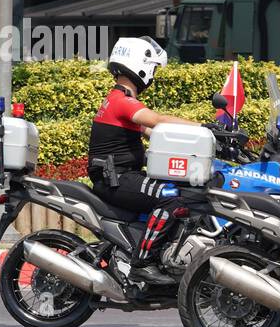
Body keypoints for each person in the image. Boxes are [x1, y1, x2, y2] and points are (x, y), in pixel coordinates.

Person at [87, 37, 203, 282]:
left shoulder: (118, 101)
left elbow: (156, 133)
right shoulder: (123, 102)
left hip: (118, 176)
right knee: (171, 198)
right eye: (153, 69)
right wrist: (204, 128)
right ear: (141, 66)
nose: (153, 76)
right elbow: (158, 120)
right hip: (116, 179)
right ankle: (143, 262)